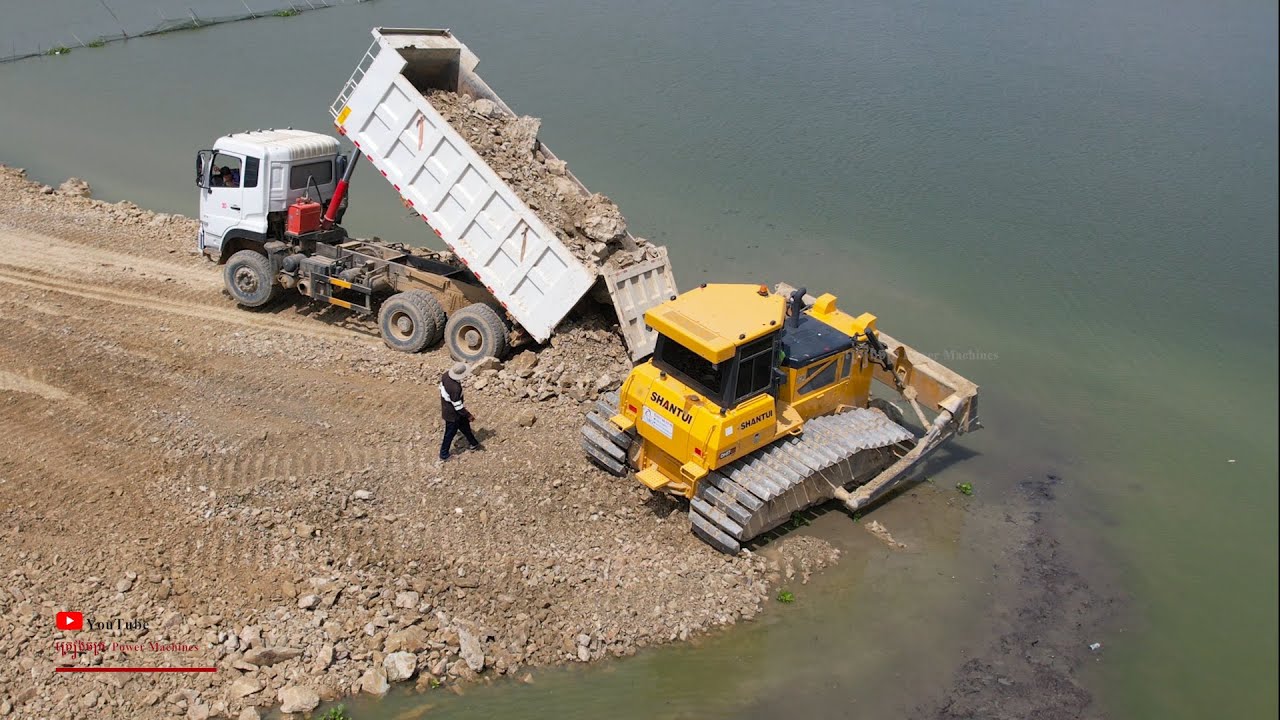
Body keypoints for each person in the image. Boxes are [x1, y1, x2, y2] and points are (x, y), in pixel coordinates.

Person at [439, 362, 482, 461]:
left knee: (465, 426)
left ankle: (473, 443)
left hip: (449, 409)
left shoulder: (446, 375)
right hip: (453, 415)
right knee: (449, 433)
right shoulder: (455, 388)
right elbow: (458, 406)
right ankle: (444, 454)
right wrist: (468, 415)